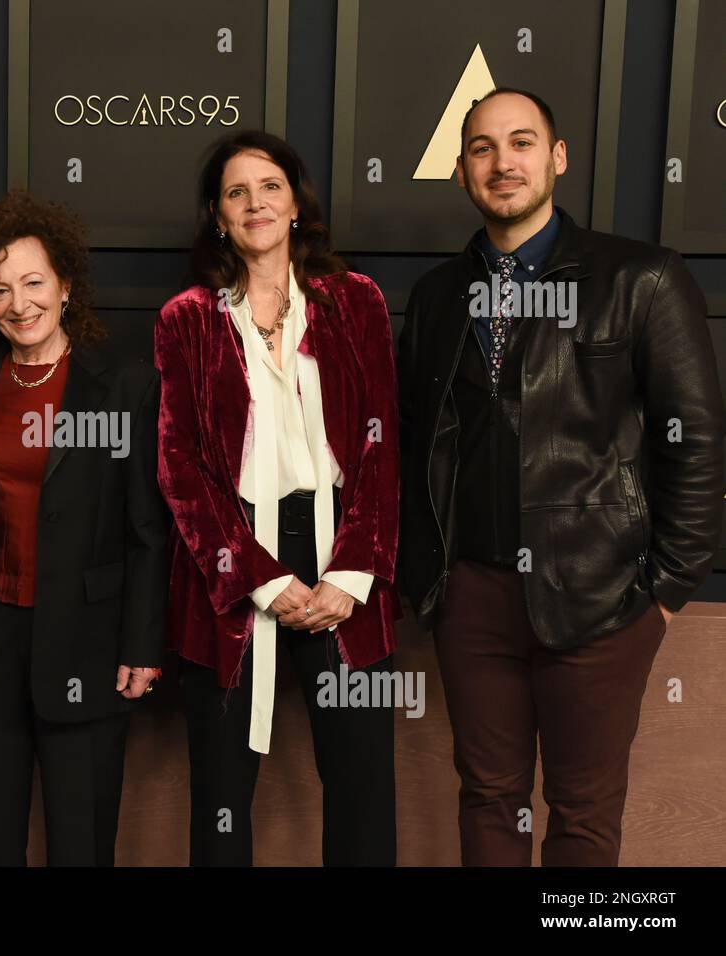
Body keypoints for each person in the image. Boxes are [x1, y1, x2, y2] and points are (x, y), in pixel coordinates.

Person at [397, 88, 726, 866]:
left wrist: (667, 592)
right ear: (462, 170)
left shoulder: (640, 278)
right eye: (482, 148)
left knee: (583, 813)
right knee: (488, 798)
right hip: (471, 595)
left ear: (557, 158)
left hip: (601, 595)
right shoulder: (439, 296)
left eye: (520, 142)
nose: (502, 162)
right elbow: (417, 445)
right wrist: (429, 581)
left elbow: (699, 441)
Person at [155, 131, 400, 866]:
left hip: (342, 554)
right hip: (233, 565)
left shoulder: (356, 301)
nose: (255, 203)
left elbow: (381, 445)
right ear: (217, 215)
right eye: (236, 192)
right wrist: (258, 576)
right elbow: (181, 466)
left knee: (362, 785)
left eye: (270, 187)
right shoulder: (187, 318)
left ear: (297, 204)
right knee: (223, 796)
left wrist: (352, 576)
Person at [0, 192, 168, 866]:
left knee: (81, 840)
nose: (19, 303)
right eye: (0, 290)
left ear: (65, 286)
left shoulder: (124, 387)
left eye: (34, 282)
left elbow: (147, 530)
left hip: (88, 642)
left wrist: (142, 644)